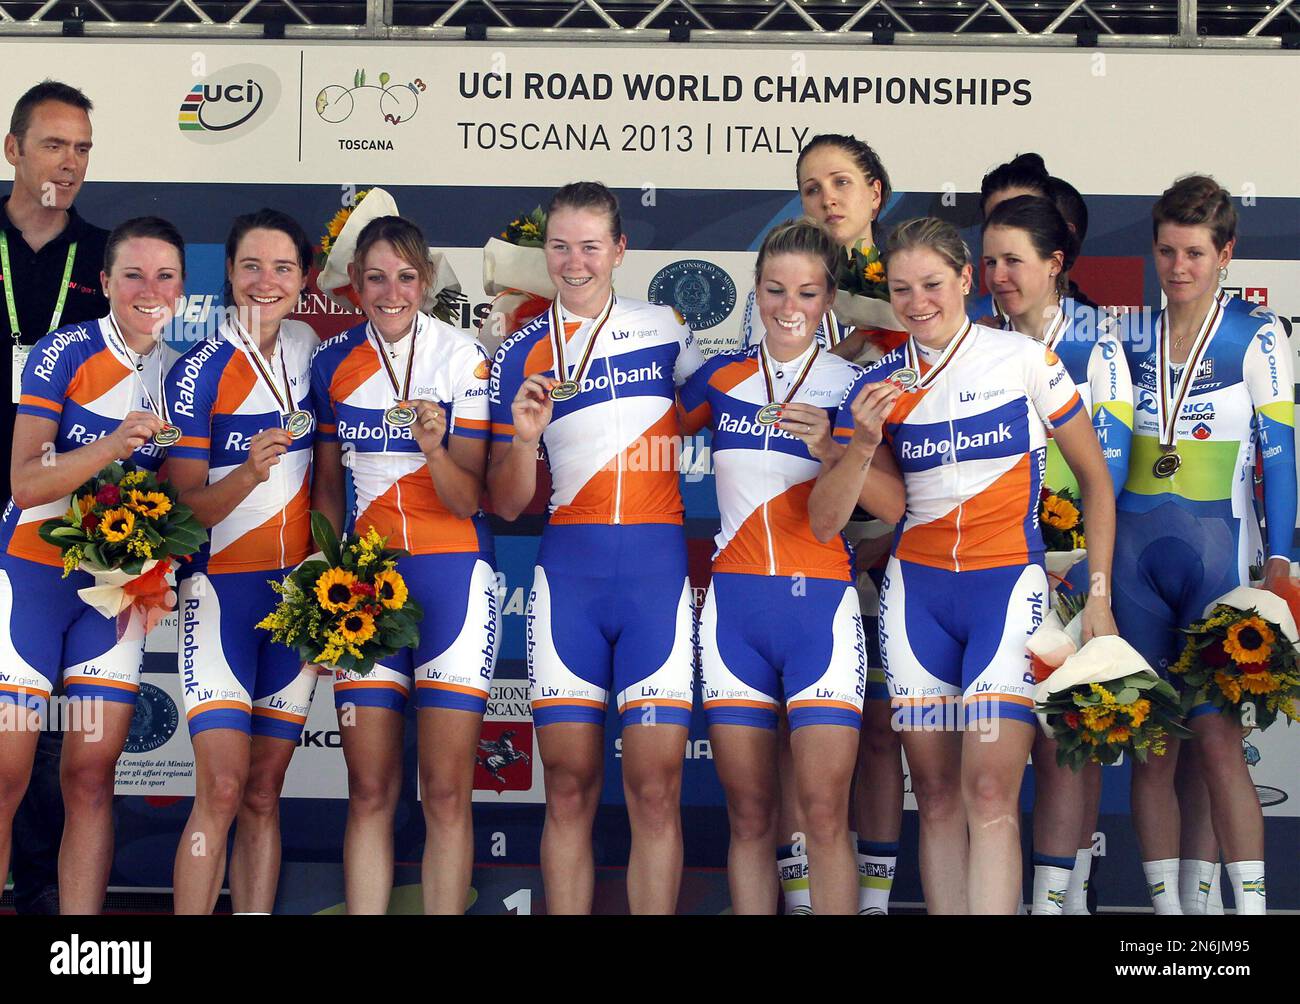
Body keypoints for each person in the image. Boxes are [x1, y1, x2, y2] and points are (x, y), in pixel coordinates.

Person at [808, 217, 1118, 914]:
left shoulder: (1024, 361)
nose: (918, 302)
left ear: (965, 282)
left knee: (988, 792)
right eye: (902, 289)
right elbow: (894, 505)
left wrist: (1097, 594)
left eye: (933, 285)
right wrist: (855, 441)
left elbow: (1096, 482)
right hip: (917, 599)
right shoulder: (881, 384)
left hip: (1006, 590)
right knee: (939, 794)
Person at [488, 181, 703, 914]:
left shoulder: (666, 329)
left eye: (589, 245)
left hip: (656, 580)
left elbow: (728, 414)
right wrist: (521, 439)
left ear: (620, 249)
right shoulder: (520, 349)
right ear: (541, 251)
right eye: (559, 246)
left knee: (655, 789)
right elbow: (509, 501)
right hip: (569, 582)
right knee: (570, 787)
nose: (573, 262)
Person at [681, 218, 903, 914]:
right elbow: (629, 426)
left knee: (825, 813)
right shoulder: (718, 378)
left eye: (806, 293)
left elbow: (893, 505)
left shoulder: (855, 384)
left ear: (829, 298)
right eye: (775, 289)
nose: (788, 307)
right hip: (736, 612)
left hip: (822, 612)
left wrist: (840, 449)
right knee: (749, 819)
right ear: (756, 290)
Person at [1113, 175, 1295, 916]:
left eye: (1194, 252)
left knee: (1219, 744)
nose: (1178, 267)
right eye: (1166, 251)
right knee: (1153, 749)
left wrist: (1280, 564)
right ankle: (1174, 921)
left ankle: (1245, 919)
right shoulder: (1126, 335)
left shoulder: (1258, 335)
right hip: (1133, 561)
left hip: (1219, 558)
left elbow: (1281, 452)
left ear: (1226, 254)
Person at [311, 214, 498, 915]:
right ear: (355, 284)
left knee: (446, 791)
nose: (391, 292)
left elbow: (468, 497)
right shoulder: (333, 363)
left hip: (452, 579)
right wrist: (324, 582)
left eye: (406, 277)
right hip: (363, 591)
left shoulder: (464, 359)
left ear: (426, 281)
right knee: (369, 790)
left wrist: (434, 447)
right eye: (377, 278)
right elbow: (329, 490)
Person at [744, 132, 909, 915]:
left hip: (907, 544)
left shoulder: (909, 284)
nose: (828, 200)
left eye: (841, 183)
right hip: (811, 550)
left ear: (877, 191)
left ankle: (868, 901)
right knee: (793, 730)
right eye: (811, 189)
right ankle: (803, 895)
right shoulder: (798, 302)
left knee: (875, 732)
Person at [0, 216, 181, 913]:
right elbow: (25, 482)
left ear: (181, 289)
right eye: (133, 274)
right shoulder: (62, 351)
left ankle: (79, 942)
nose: (148, 289)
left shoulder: (182, 373)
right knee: (8, 774)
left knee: (90, 777)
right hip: (32, 576)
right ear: (105, 282)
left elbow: (180, 495)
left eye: (165, 276)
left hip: (113, 597)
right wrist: (110, 445)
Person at [163, 209, 321, 914]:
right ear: (227, 273)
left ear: (304, 279)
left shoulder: (310, 348)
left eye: (283, 268)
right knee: (221, 790)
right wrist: (248, 476)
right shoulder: (197, 370)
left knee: (262, 791)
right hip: (221, 596)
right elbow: (185, 508)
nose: (266, 281)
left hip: (299, 604)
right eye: (251, 266)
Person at [979, 195, 1134, 914]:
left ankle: (1054, 905)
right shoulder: (974, 340)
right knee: (996, 757)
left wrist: (1097, 591)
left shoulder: (1100, 347)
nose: (998, 275)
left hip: (1073, 578)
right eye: (988, 262)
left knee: (1063, 750)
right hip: (994, 577)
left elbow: (1110, 480)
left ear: (1054, 265)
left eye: (1014, 261)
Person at [2, 79, 111, 917]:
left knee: (37, 727)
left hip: (58, 514)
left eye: (80, 149)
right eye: (53, 145)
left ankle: (39, 893)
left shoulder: (106, 263)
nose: (68, 164)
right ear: (14, 151)